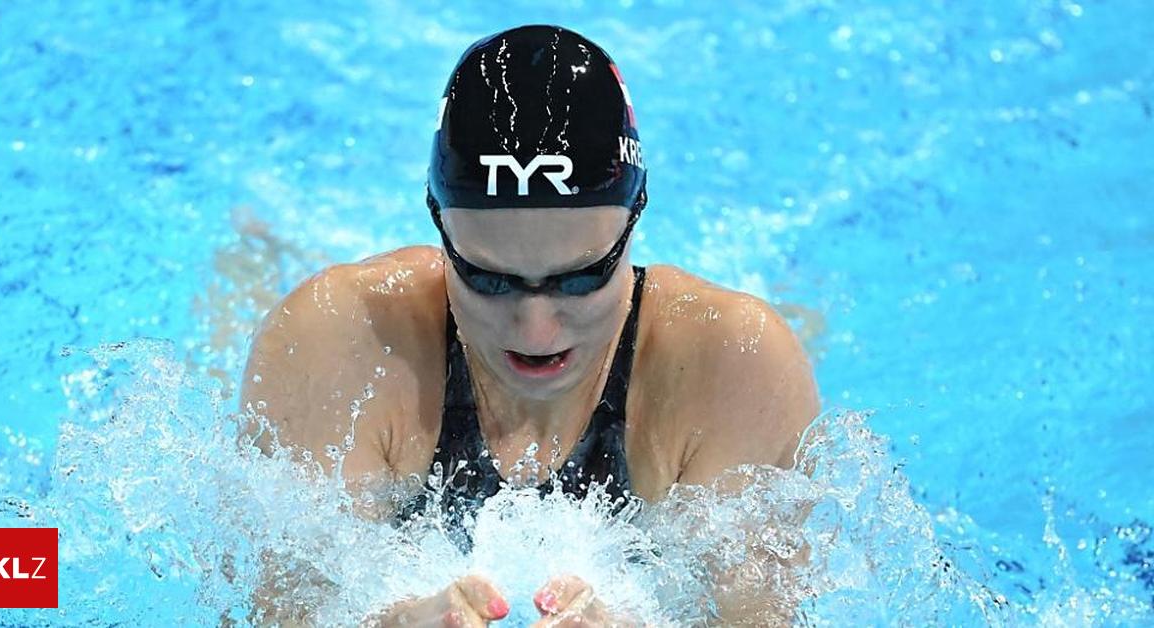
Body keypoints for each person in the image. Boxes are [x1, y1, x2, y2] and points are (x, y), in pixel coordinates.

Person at [240, 24, 820, 626]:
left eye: (581, 277)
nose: (535, 332)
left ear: (635, 218)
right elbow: (265, 613)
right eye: (489, 278)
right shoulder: (336, 340)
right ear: (438, 224)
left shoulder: (736, 366)